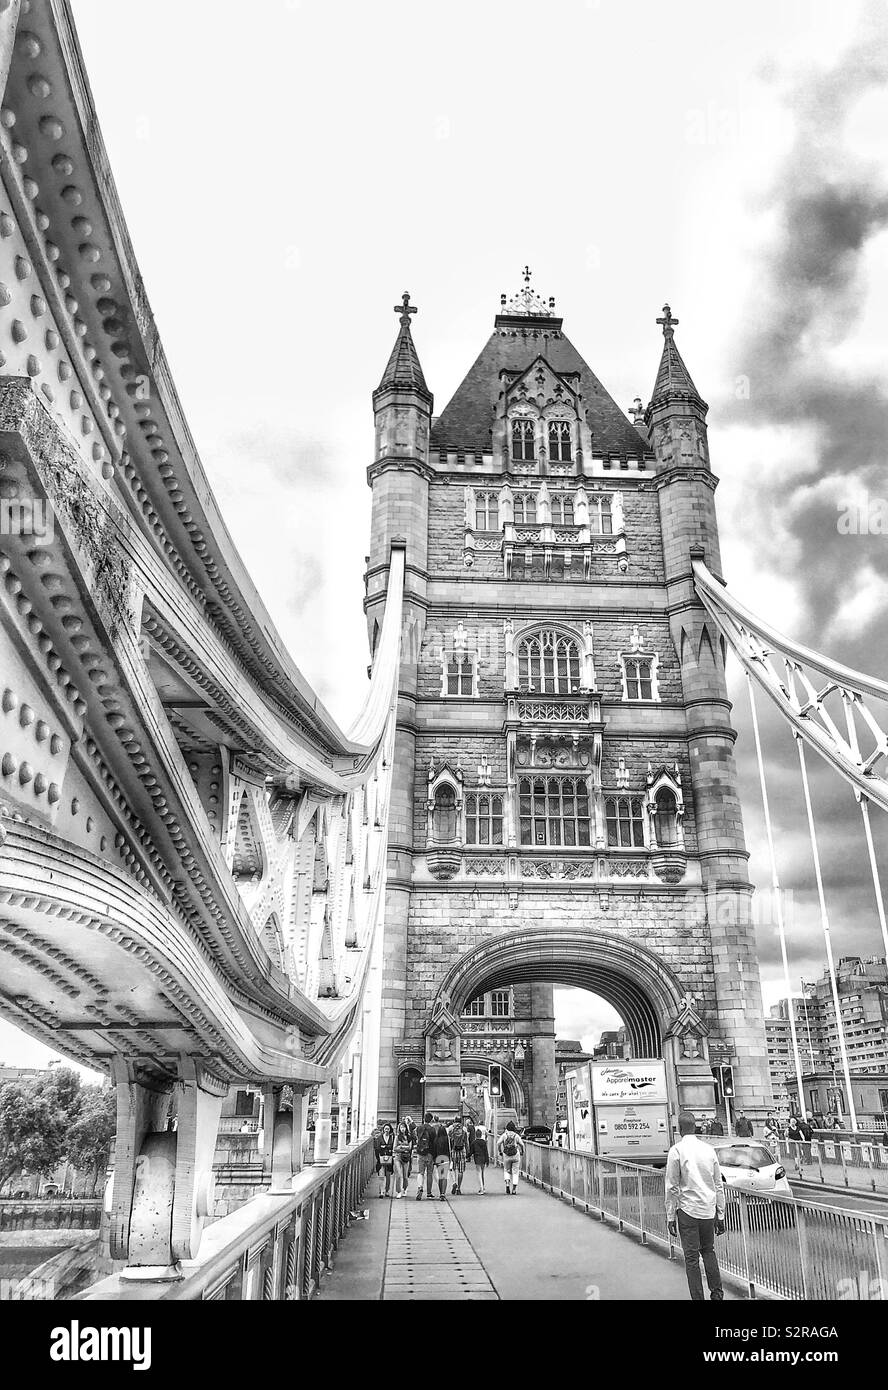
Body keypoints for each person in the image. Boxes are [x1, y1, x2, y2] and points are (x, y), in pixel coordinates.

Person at [665, 1111, 726, 1302]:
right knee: (708, 1251)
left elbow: (672, 1186)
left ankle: (698, 1298)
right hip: (708, 1210)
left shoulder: (676, 1150)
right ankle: (717, 1294)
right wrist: (721, 1214)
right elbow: (718, 1184)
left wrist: (670, 1216)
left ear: (680, 1128)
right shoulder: (709, 1150)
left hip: (688, 1211)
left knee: (691, 1258)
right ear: (695, 1127)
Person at [497, 1121, 525, 1195]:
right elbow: (522, 1144)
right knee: (515, 1172)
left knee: (507, 1170)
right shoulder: (516, 1135)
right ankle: (514, 1189)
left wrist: (500, 1151)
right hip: (515, 1155)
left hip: (506, 1155)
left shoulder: (504, 1135)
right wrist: (522, 1151)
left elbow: (498, 1143)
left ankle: (507, 1184)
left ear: (507, 1128)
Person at [414, 1111, 437, 1201]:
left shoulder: (419, 1128)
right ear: (431, 1120)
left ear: (423, 1119)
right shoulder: (432, 1129)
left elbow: (417, 1139)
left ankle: (420, 1187)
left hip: (420, 1153)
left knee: (421, 1172)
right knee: (429, 1173)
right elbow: (434, 1143)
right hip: (430, 1154)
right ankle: (429, 1193)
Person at [393, 1121, 413, 1199]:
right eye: (401, 1127)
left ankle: (405, 1188)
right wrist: (404, 1148)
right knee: (398, 1175)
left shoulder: (409, 1137)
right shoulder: (397, 1137)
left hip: (406, 1157)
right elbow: (394, 1148)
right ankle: (398, 1191)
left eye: (404, 1127)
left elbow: (410, 1147)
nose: (403, 1129)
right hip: (398, 1157)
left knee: (405, 1175)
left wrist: (401, 1146)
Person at [433, 1120, 451, 1200]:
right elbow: (449, 1149)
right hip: (446, 1157)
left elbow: (434, 1150)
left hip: (438, 1158)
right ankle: (443, 1193)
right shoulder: (447, 1139)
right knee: (445, 1176)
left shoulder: (436, 1140)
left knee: (440, 1176)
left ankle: (440, 1193)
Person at [449, 1117, 468, 1195]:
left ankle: (454, 1182)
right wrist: (468, 1152)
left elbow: (449, 1140)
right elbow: (466, 1142)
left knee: (453, 1168)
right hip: (461, 1150)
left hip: (453, 1150)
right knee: (461, 1170)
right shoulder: (464, 1129)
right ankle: (458, 1188)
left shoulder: (451, 1128)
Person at [376, 1122, 395, 1198]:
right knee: (381, 1175)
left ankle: (387, 1190)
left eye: (388, 1129)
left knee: (388, 1176)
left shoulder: (392, 1138)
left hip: (389, 1159)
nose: (386, 1130)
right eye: (385, 1129)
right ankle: (381, 1191)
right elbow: (377, 1149)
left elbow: (393, 1147)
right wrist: (379, 1157)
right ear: (383, 1130)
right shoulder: (379, 1138)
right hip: (381, 1159)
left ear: (390, 1130)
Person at [472, 1125, 490, 1193]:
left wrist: (467, 1156)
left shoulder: (474, 1142)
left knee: (478, 1173)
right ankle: (483, 1187)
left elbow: (471, 1152)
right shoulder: (484, 1142)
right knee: (482, 1173)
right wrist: (487, 1160)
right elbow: (486, 1151)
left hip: (477, 1159)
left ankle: (481, 1188)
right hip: (483, 1158)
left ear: (476, 1135)